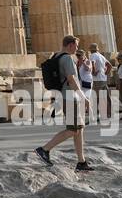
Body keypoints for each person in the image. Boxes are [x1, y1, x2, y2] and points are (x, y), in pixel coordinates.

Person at [34, 35, 91, 172]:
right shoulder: (67, 58)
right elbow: (71, 79)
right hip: (70, 96)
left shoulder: (56, 56)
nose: (77, 49)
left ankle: (81, 161)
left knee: (79, 128)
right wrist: (83, 97)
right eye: (76, 46)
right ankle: (44, 149)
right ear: (70, 45)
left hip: (63, 95)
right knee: (73, 129)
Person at [89, 44, 110, 122]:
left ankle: (98, 115)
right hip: (103, 79)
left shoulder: (93, 55)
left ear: (91, 49)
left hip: (97, 80)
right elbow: (109, 65)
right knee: (105, 97)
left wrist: (93, 72)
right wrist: (105, 73)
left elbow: (93, 63)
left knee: (97, 98)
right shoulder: (101, 56)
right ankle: (108, 114)